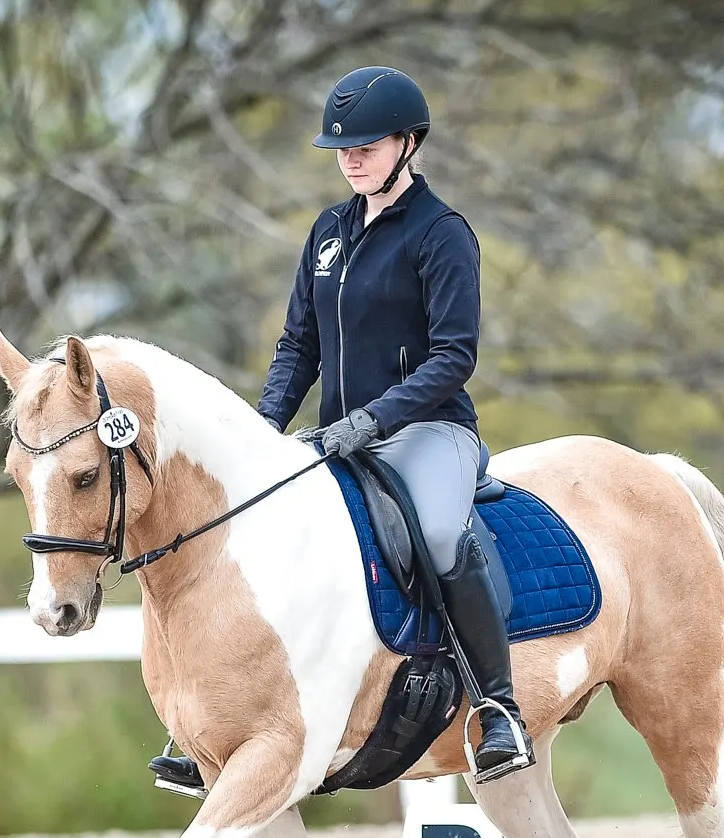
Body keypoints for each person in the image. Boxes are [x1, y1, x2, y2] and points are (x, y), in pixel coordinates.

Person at [150, 66, 532, 793]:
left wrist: (372, 419)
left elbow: (455, 356)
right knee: (256, 531)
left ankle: (498, 704)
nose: (351, 158)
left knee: (444, 536)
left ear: (407, 143)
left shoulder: (442, 234)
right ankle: (208, 724)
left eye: (366, 145)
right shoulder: (328, 232)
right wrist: (260, 434)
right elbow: (299, 347)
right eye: (342, 147)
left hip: (427, 430)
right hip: (338, 436)